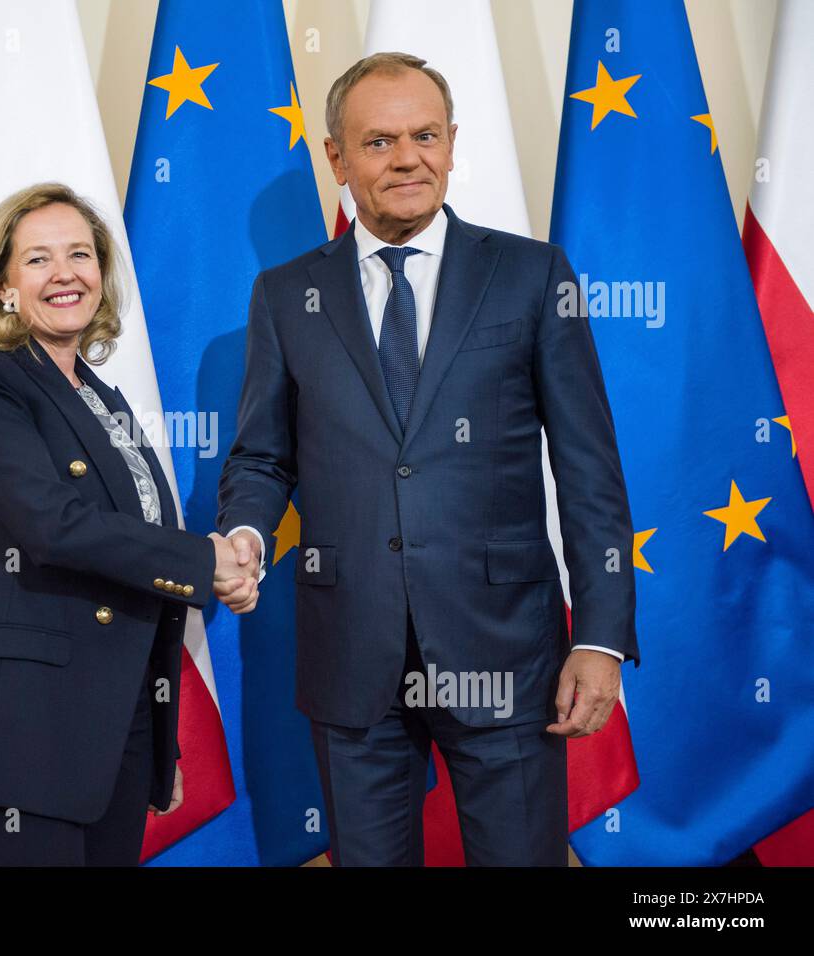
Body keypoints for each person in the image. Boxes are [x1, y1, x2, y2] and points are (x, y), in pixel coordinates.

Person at [216, 53, 640, 865]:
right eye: (379, 142)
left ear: (452, 143)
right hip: (350, 653)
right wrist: (242, 528)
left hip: (506, 651)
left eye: (426, 136)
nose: (408, 158)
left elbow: (589, 466)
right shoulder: (285, 295)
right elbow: (263, 456)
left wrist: (602, 636)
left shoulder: (531, 273)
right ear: (337, 159)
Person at [0, 182, 256, 866]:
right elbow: (54, 527)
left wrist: (155, 738)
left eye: (80, 254)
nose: (66, 273)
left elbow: (133, 566)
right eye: (39, 259)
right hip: (26, 731)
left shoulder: (104, 399)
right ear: (2, 287)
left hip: (116, 727)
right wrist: (204, 562)